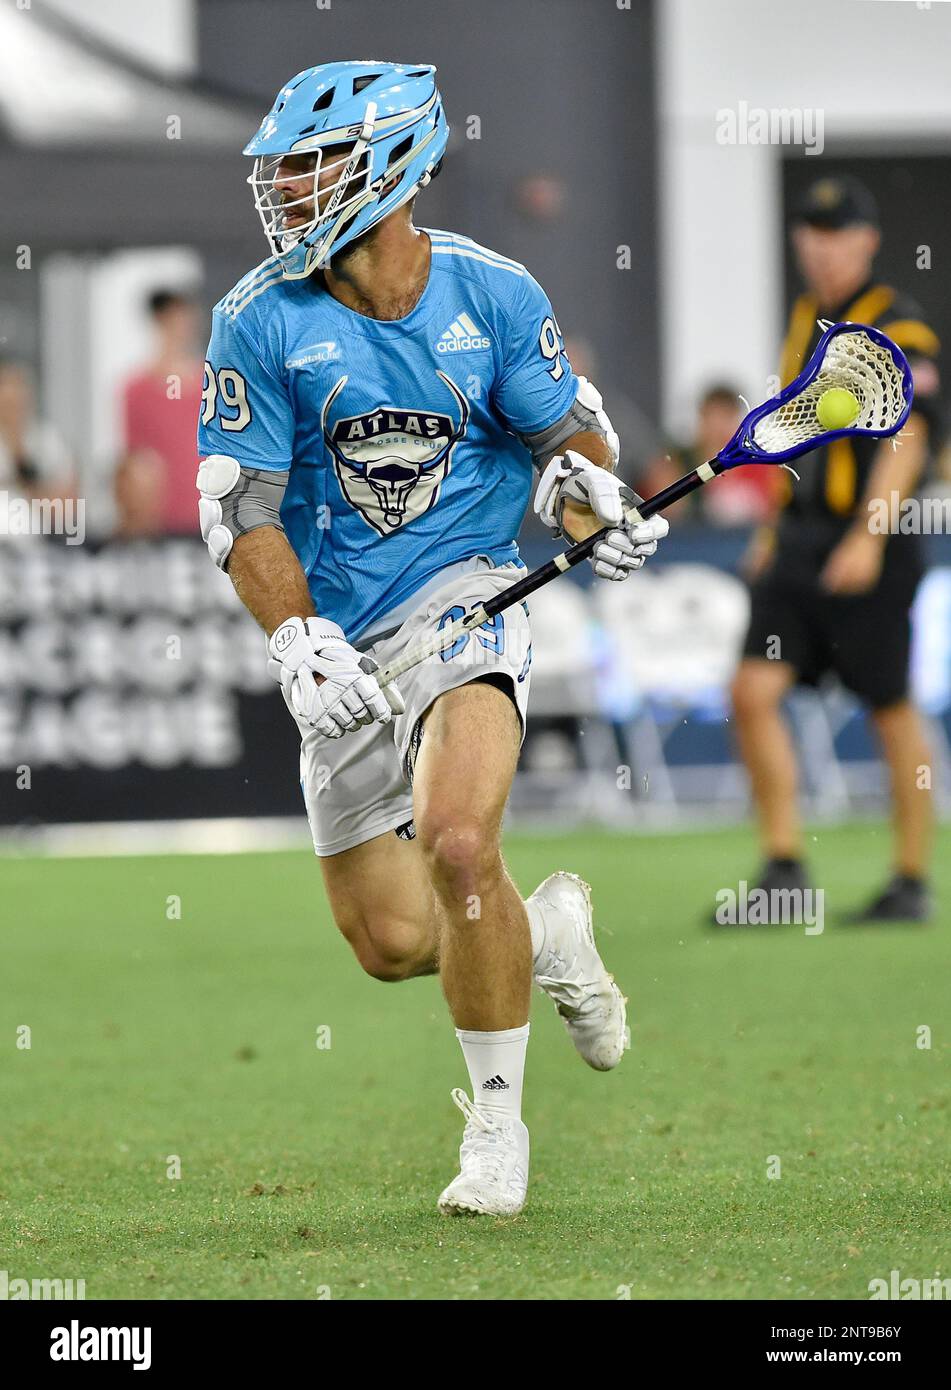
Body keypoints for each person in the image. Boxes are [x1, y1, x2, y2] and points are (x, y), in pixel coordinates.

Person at [195, 62, 668, 1216]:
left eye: (313, 165)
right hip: (341, 641)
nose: (287, 190)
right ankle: (548, 927)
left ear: (393, 164)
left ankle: (497, 1133)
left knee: (459, 844)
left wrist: (594, 511)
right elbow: (241, 508)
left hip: (467, 604)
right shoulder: (257, 316)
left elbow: (575, 454)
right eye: (285, 168)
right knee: (396, 940)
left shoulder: (492, 294)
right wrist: (297, 635)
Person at [728, 176, 942, 924]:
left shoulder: (897, 324)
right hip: (799, 540)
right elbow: (799, 432)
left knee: (887, 706)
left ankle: (909, 878)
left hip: (867, 543)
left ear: (866, 241)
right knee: (751, 692)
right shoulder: (805, 319)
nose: (819, 249)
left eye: (834, 234)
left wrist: (868, 534)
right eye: (809, 235)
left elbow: (909, 436)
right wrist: (771, 528)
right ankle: (784, 870)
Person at [122, 289, 204, 535]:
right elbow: (134, 459)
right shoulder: (135, 390)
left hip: (209, 515)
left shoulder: (212, 384)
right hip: (159, 524)